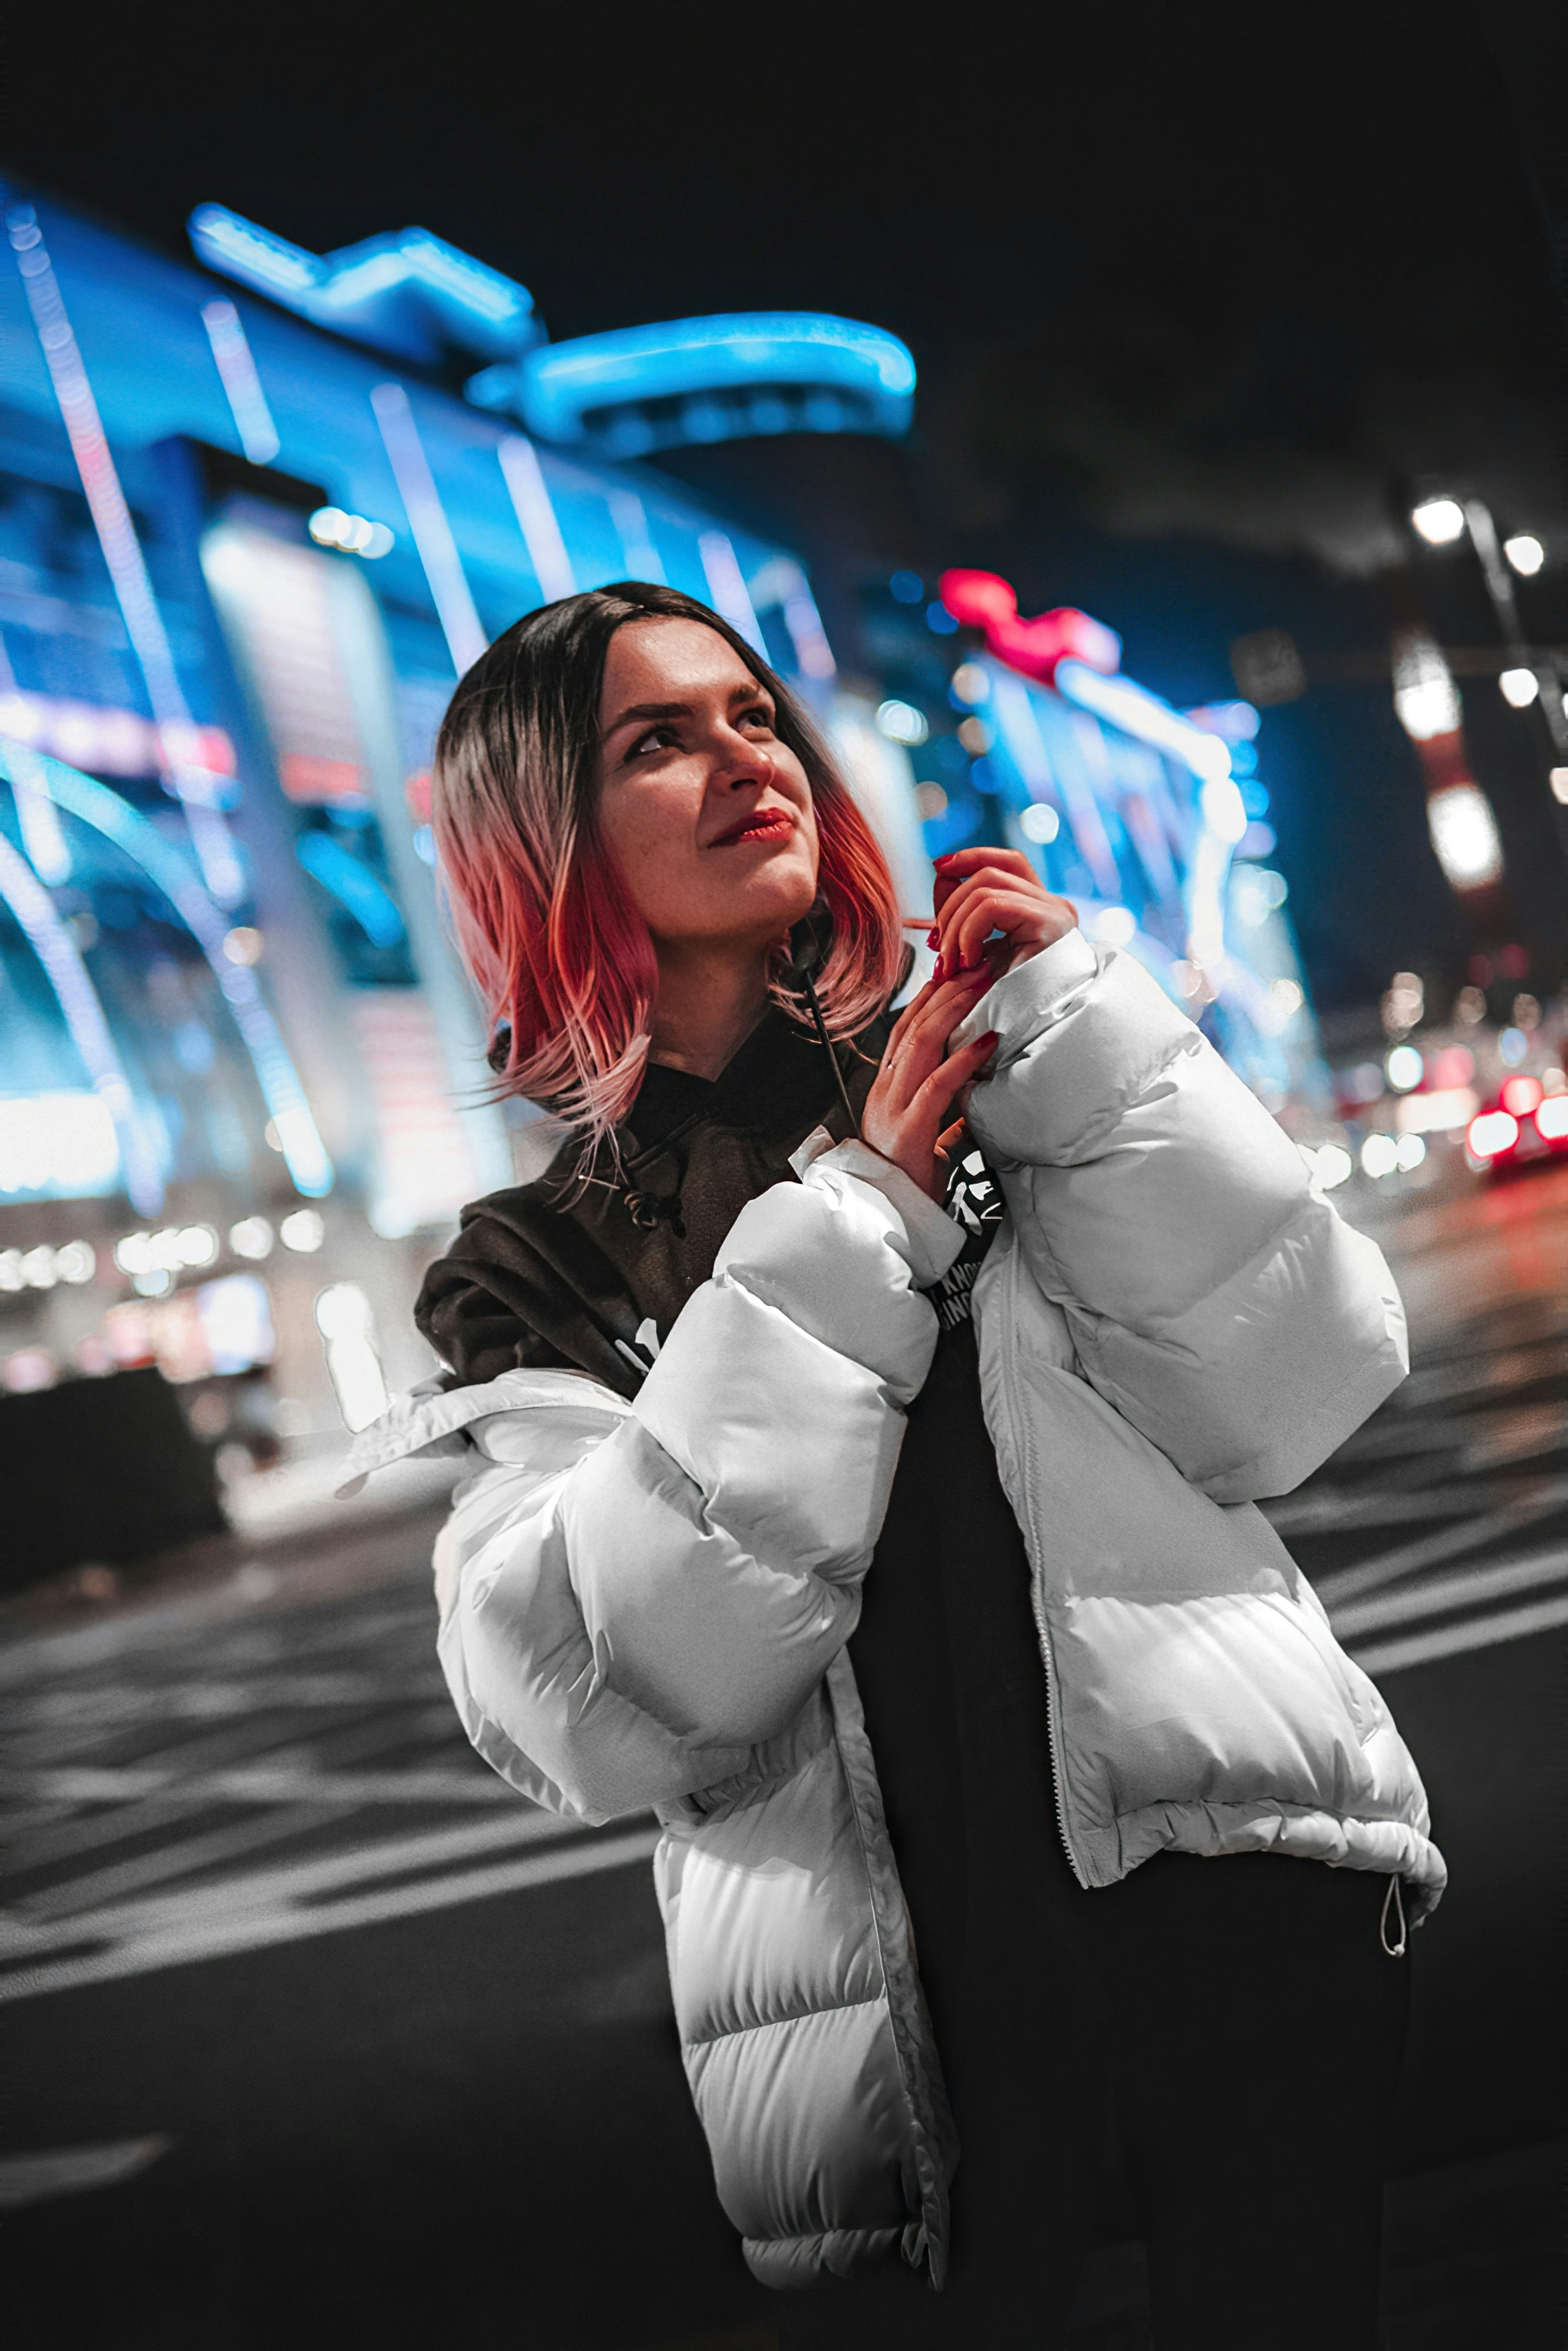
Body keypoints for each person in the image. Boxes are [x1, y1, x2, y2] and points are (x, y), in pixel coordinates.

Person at [344, 582, 1445, 2347]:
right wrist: (865, 1222)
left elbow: (1296, 1389)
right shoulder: (529, 1264)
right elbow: (608, 1699)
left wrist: (1091, 1048)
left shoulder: (995, 1048)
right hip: (884, 2023)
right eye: (654, 741)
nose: (737, 759)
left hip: (1228, 1900)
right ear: (543, 837)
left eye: (751, 716)